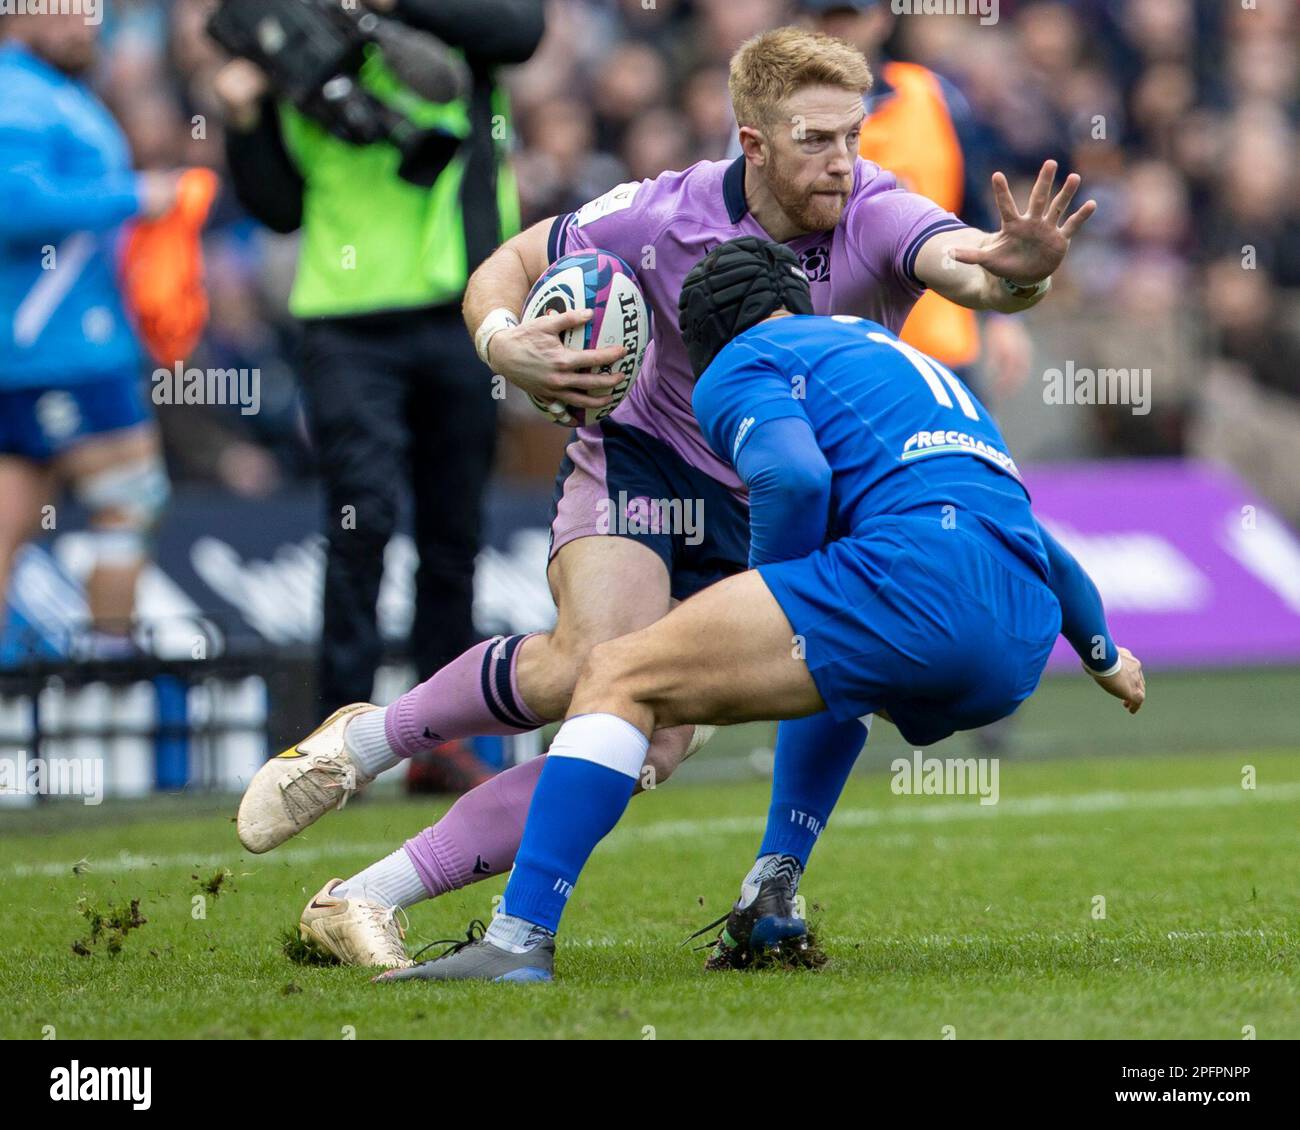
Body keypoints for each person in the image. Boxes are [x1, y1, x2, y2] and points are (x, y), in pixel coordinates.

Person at [236, 27, 1095, 970]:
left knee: (636, 743)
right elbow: (509, 266)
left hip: (773, 494)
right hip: (645, 461)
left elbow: (971, 269)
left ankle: (364, 898)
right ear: (752, 143)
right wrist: (502, 343)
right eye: (817, 140)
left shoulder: (877, 211)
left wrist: (1026, 266)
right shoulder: (660, 212)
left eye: (853, 136)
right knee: (593, 667)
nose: (845, 162)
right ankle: (366, 743)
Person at [378, 238, 1145, 982]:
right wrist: (1106, 655)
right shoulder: (907, 365)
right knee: (839, 665)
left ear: (706, 342)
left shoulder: (742, 362)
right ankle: (772, 890)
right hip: (1019, 633)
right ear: (794, 298)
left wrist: (766, 599)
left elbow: (795, 479)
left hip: (921, 585)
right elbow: (1044, 546)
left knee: (617, 671)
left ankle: (517, 940)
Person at [214, 0, 545, 793]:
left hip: (464, 309)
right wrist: (243, 118)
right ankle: (335, 744)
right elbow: (278, 208)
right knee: (362, 520)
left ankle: (439, 738)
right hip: (345, 323)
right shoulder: (288, 43)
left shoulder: (451, 28)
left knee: (452, 531)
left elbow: (522, 30)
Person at [0, 10, 177, 656]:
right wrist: (135, 196)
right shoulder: (16, 93)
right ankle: (109, 668)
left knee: (10, 517)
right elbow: (11, 204)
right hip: (60, 349)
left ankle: (14, 700)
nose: (87, 22)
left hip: (43, 345)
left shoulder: (49, 86)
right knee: (130, 497)